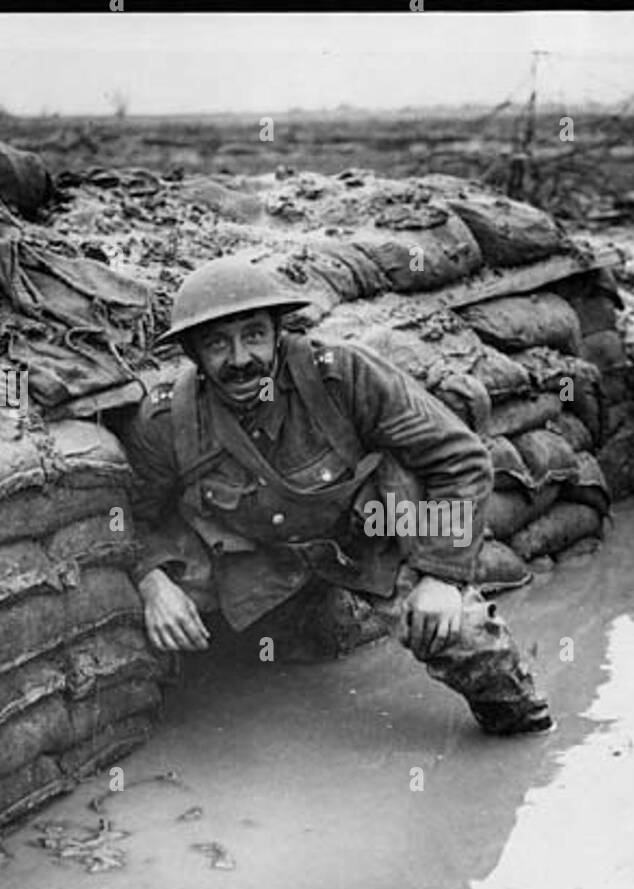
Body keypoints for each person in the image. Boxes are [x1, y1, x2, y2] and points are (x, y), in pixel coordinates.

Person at [122, 256, 552, 736]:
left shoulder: (342, 375)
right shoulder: (166, 421)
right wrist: (151, 580)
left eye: (254, 335)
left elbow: (460, 459)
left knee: (465, 636)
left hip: (372, 533)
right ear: (194, 354)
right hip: (259, 555)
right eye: (217, 343)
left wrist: (441, 576)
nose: (241, 357)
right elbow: (130, 517)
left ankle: (517, 733)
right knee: (135, 622)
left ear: (278, 332)